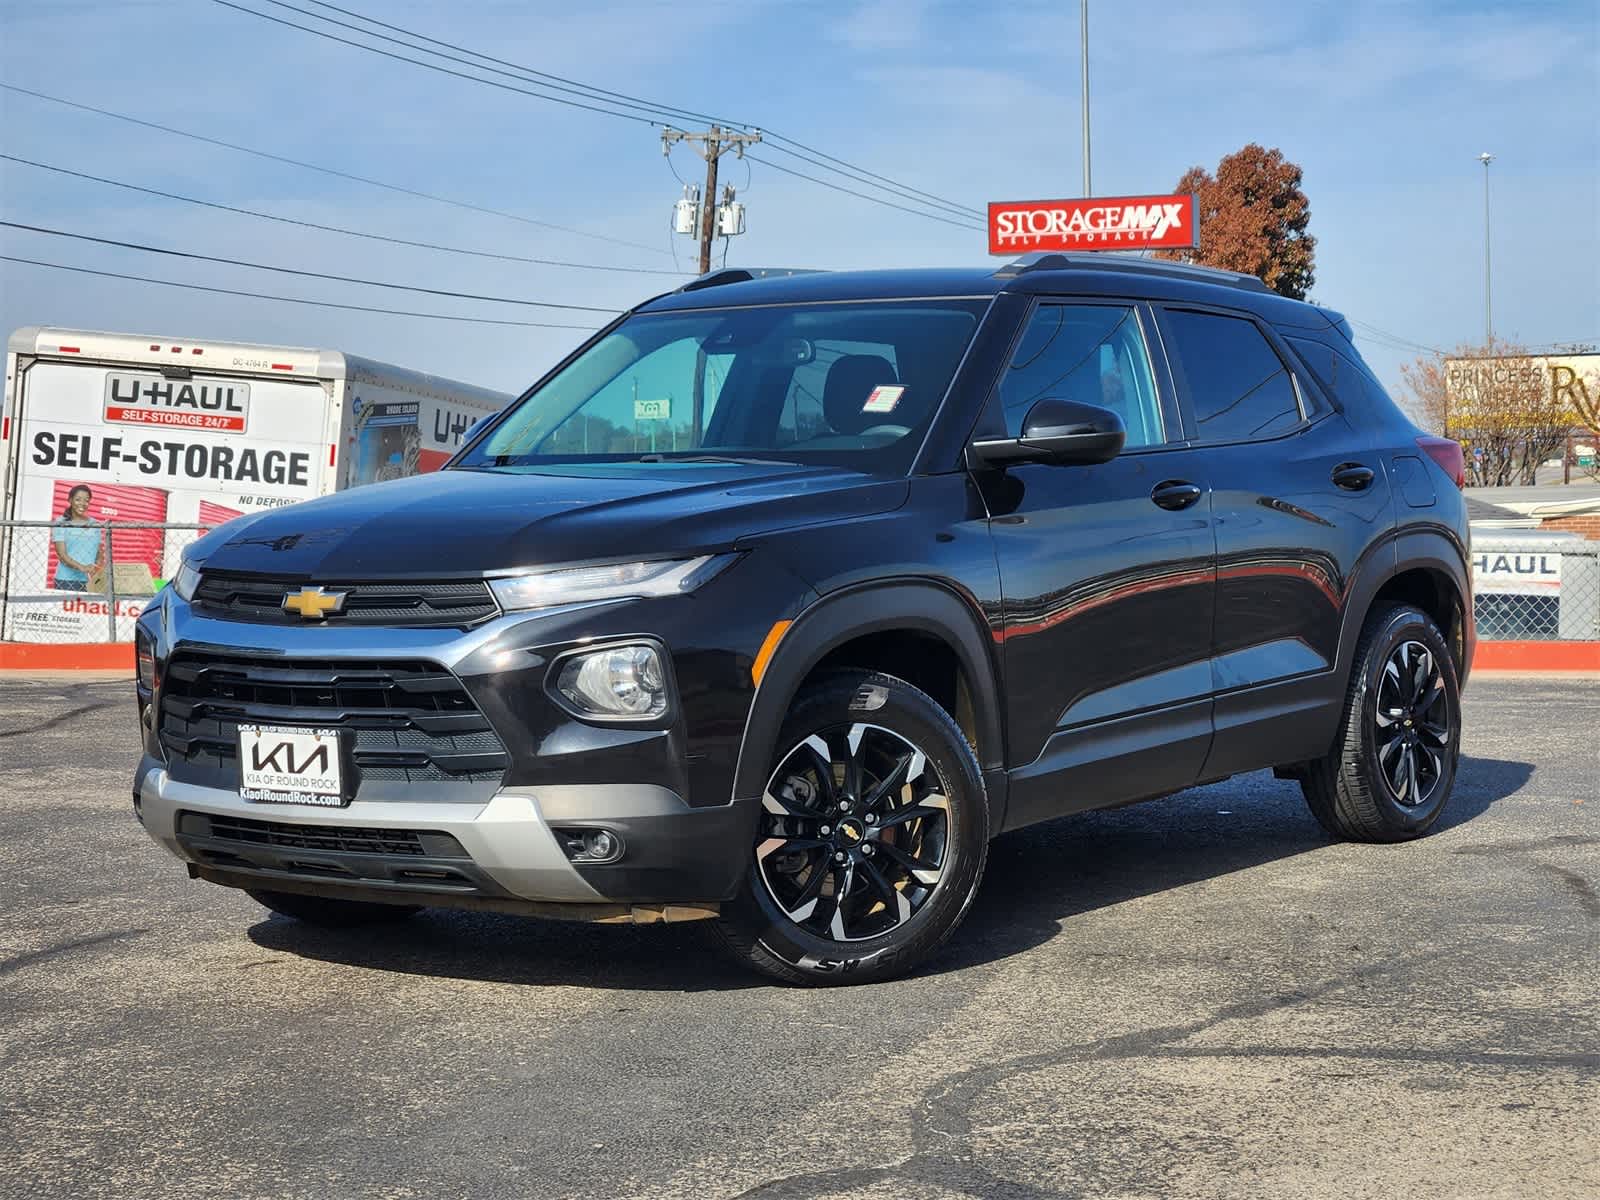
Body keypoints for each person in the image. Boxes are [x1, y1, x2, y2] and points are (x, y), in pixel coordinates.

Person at [51, 485, 104, 592]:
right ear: (70, 500)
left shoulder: (95, 524)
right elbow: (62, 555)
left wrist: (96, 567)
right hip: (66, 581)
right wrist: (83, 568)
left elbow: (99, 552)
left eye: (86, 500)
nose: (82, 504)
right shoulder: (61, 522)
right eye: (78, 499)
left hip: (91, 581)